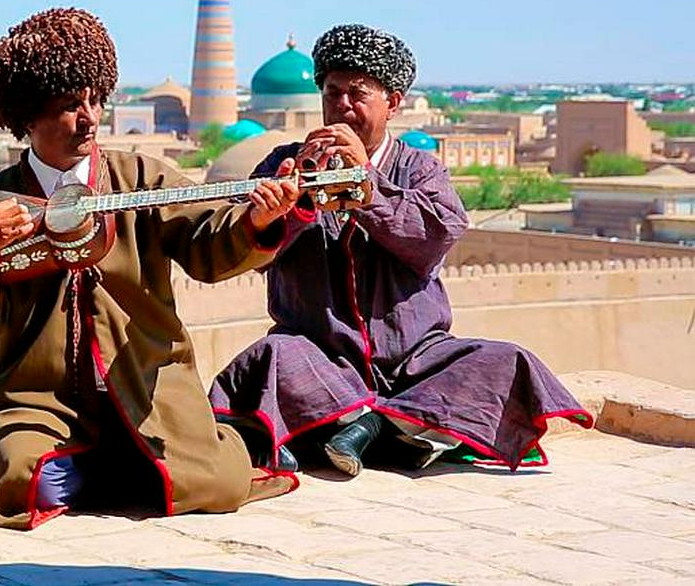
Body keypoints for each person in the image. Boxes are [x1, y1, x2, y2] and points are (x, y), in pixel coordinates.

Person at [0, 8, 299, 530]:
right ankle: (106, 463)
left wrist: (257, 222)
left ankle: (183, 448)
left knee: (213, 485)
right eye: (70, 106)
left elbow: (209, 243)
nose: (89, 119)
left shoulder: (140, 178)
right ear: (29, 118)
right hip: (41, 400)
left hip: (148, 386)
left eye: (94, 101)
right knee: (29, 480)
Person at [209, 24, 592, 477]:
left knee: (507, 362)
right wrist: (295, 205)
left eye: (358, 94)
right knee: (271, 359)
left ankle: (364, 425)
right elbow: (237, 244)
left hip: (417, 359)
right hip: (321, 354)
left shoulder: (419, 169)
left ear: (393, 103)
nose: (343, 106)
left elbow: (435, 237)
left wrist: (367, 186)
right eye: (333, 93)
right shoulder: (284, 164)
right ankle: (394, 429)